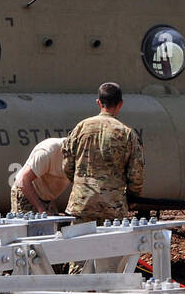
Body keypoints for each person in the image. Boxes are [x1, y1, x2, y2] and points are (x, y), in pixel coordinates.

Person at [62, 81, 145, 225]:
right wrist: (130, 199)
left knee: (80, 247)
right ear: (120, 104)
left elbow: (67, 165)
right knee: (112, 247)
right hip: (113, 207)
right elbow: (136, 174)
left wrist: (82, 185)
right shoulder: (127, 134)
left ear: (99, 103)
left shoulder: (81, 128)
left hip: (81, 205)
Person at [10, 137, 70, 215]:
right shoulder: (48, 152)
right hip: (27, 192)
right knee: (28, 226)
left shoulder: (82, 155)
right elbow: (23, 180)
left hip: (47, 198)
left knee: (52, 225)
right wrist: (41, 208)